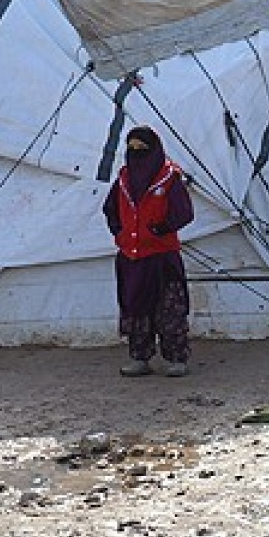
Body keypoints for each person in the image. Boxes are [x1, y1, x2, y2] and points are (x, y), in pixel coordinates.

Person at [102, 126, 194, 377]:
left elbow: (184, 212)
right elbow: (110, 209)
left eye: (142, 149)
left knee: (169, 309)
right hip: (132, 257)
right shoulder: (123, 180)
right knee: (135, 308)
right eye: (132, 148)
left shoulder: (169, 177)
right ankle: (139, 357)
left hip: (162, 257)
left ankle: (176, 357)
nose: (137, 154)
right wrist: (119, 232)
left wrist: (160, 229)